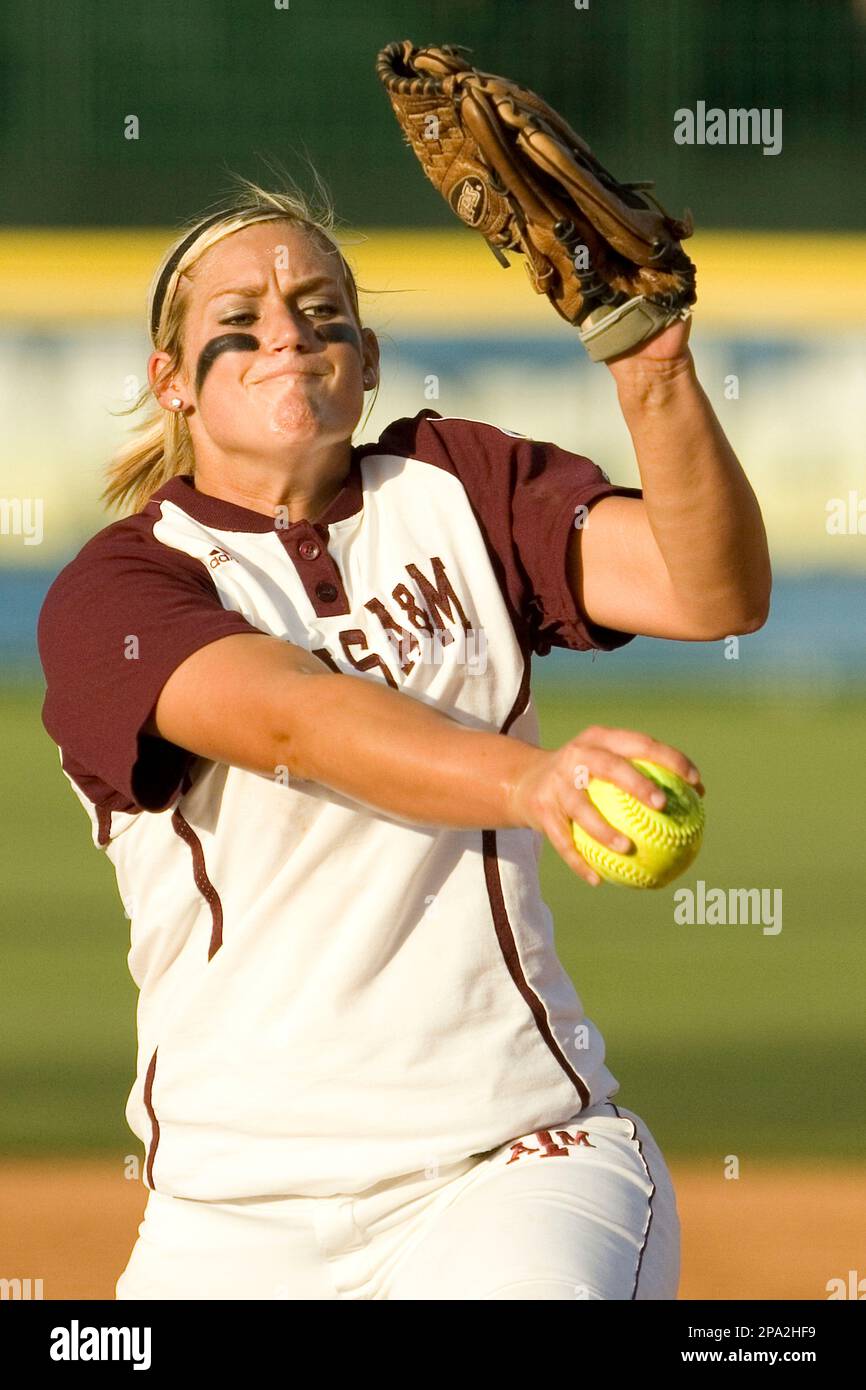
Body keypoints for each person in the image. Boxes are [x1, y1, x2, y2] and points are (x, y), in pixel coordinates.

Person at [36, 178, 770, 1300]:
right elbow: (293, 717)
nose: (284, 332)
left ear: (368, 360)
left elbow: (709, 588)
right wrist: (531, 781)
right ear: (171, 383)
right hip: (228, 1214)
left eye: (320, 311)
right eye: (237, 321)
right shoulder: (120, 592)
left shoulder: (456, 488)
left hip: (508, 1164)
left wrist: (652, 369)